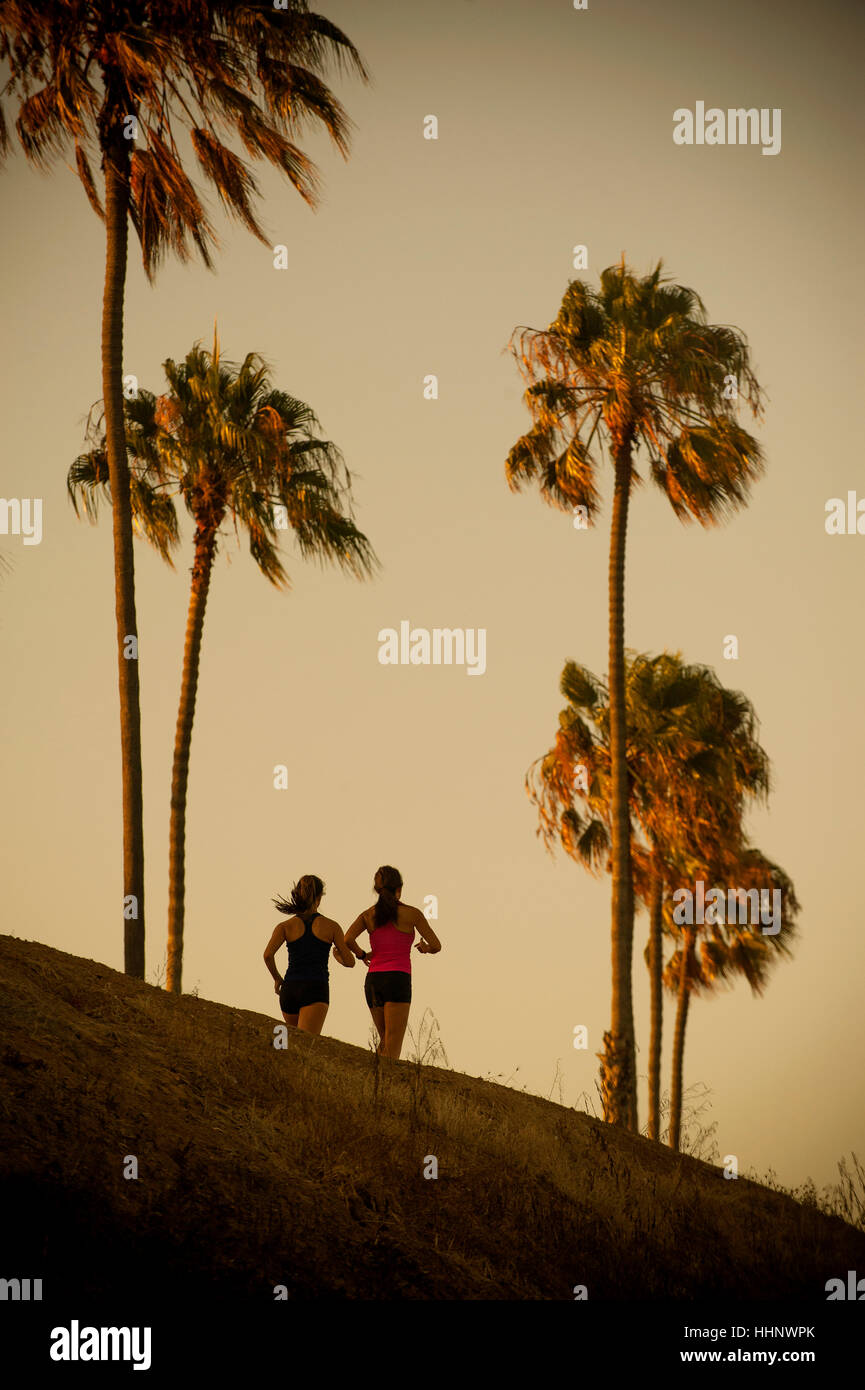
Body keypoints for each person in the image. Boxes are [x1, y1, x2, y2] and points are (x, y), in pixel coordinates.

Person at [344, 865, 441, 1060]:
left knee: (385, 1042)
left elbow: (347, 939)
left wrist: (363, 955)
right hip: (398, 979)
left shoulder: (368, 915)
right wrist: (425, 948)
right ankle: (384, 1087)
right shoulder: (412, 914)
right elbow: (436, 945)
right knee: (392, 1048)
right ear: (399, 889)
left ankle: (373, 1085)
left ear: (377, 890)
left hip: (373, 980)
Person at [263, 874, 355, 1035]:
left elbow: (267, 955)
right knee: (307, 1046)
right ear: (319, 898)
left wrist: (277, 978)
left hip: (289, 989)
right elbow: (350, 961)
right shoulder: (332, 927)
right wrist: (337, 956)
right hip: (315, 989)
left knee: (290, 1043)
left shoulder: (285, 926)